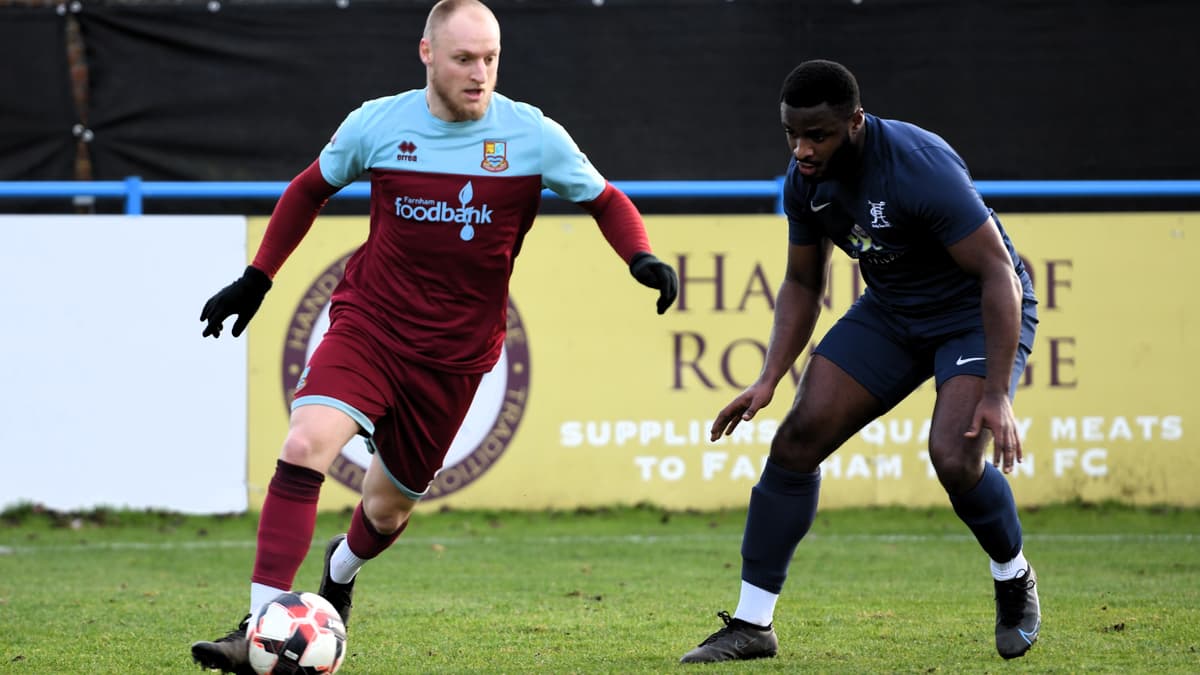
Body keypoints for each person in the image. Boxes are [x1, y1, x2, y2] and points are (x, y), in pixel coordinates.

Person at [189, 1, 679, 672]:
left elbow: (605, 199)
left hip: (455, 358)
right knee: (304, 444)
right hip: (372, 326)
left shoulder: (532, 135)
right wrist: (257, 277)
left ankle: (341, 566)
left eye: (490, 59)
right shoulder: (378, 124)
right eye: (463, 59)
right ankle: (259, 628)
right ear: (426, 53)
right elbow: (308, 190)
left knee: (385, 511)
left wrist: (640, 256)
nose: (480, 75)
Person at [679, 59, 1040, 664]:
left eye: (816, 135)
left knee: (954, 456)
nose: (802, 149)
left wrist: (997, 393)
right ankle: (752, 625)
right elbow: (801, 282)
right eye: (792, 134)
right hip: (894, 313)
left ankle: (1013, 576)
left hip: (971, 312)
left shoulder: (917, 167)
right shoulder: (803, 180)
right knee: (795, 443)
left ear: (855, 122)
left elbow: (998, 272)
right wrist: (769, 378)